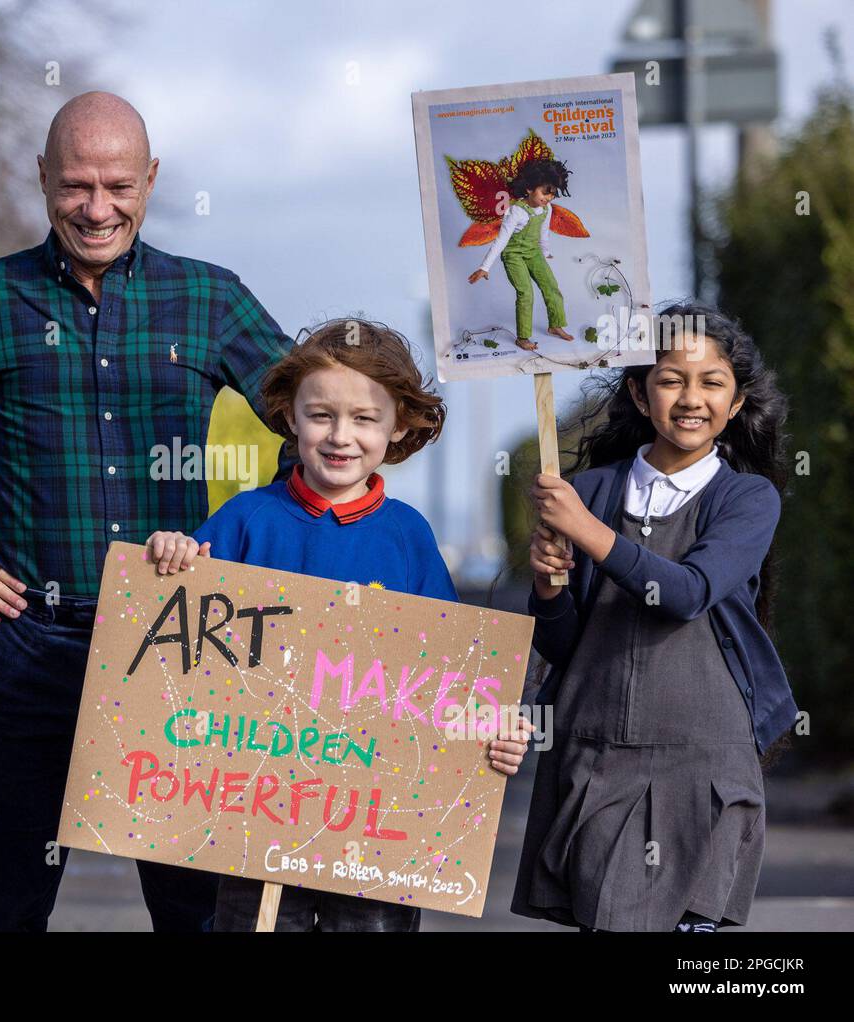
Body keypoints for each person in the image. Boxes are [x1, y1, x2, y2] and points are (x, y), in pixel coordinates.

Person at [0, 91, 296, 931]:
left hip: (178, 645)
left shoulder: (211, 300)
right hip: (28, 643)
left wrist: (254, 550)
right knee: (4, 907)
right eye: (75, 185)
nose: (96, 208)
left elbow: (314, 424)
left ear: (149, 180)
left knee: (196, 913)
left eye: (116, 185)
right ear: (41, 179)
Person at [144, 318, 535, 931]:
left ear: (398, 425)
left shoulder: (409, 537)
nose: (340, 436)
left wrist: (495, 723)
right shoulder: (245, 520)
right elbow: (177, 639)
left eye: (364, 418)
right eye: (321, 414)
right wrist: (173, 556)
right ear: (289, 415)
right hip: (257, 822)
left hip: (377, 830)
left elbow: (453, 668)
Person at [510, 302, 797, 932]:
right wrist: (547, 584)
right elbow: (561, 645)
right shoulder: (587, 491)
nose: (690, 398)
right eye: (670, 379)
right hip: (596, 762)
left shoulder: (748, 499)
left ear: (737, 401)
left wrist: (587, 533)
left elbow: (689, 593)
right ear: (639, 395)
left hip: (705, 769)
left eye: (711, 382)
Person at [468, 158, 575, 351]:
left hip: (533, 252)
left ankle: (555, 325)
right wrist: (484, 267)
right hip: (513, 254)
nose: (549, 198)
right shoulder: (516, 211)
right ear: (529, 189)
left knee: (551, 286)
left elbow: (543, 233)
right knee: (526, 293)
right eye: (545, 192)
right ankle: (522, 337)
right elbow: (501, 240)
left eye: (552, 193)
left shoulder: (546, 208)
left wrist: (546, 252)